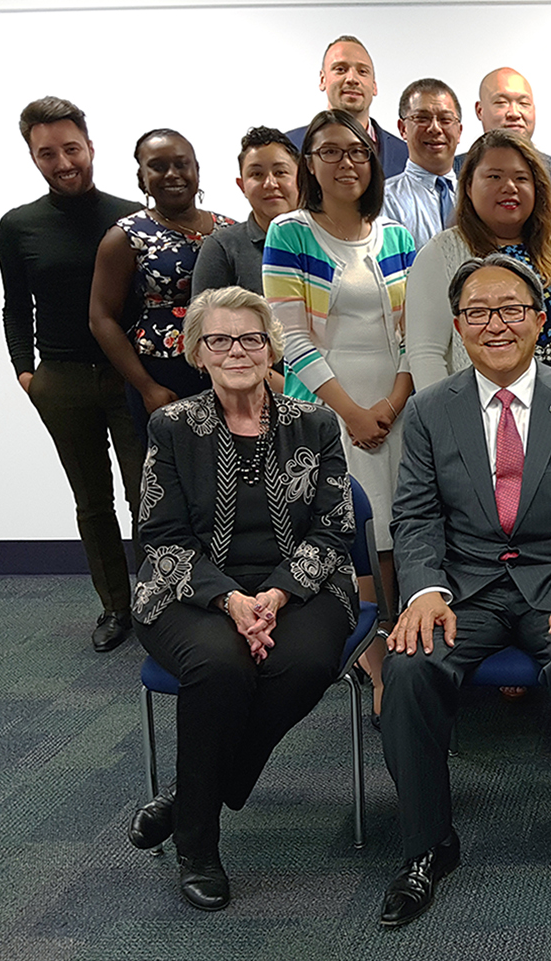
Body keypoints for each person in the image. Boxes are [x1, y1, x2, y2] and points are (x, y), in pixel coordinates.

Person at [378, 254, 551, 931]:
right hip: (464, 589)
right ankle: (428, 844)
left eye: (513, 309)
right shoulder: (433, 411)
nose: (497, 324)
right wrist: (425, 590)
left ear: (540, 318)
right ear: (459, 326)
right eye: (480, 313)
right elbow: (416, 513)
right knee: (408, 669)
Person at [126, 286, 357, 912]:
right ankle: (198, 847)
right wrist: (231, 601)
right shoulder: (171, 427)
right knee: (219, 666)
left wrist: (278, 594)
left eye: (251, 338)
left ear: (270, 347)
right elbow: (162, 535)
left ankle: (189, 795)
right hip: (188, 586)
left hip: (304, 581)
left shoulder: (313, 421)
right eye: (219, 340)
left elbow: (334, 527)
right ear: (197, 353)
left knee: (304, 663)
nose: (236, 351)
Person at [263, 110, 418, 710]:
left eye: (356, 152)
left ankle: (408, 646)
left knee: (398, 536)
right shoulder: (291, 232)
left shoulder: (396, 233)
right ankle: (377, 669)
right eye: (329, 152)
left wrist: (393, 401)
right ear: (310, 164)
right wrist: (352, 412)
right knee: (352, 536)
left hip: (394, 404)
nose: (345, 162)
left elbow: (412, 333)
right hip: (328, 409)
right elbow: (290, 338)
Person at [0, 96, 144, 652]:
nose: (62, 162)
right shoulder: (18, 226)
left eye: (71, 149)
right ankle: (115, 607)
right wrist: (25, 373)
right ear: (33, 156)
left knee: (145, 496)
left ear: (91, 147)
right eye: (47, 153)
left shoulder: (132, 216)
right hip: (61, 380)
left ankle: (159, 602)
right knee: (92, 500)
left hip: (130, 376)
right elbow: (16, 305)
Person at [407, 131, 551, 390]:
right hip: (481, 408)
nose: (510, 187)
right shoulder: (441, 253)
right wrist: (445, 421)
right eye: (494, 176)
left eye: (521, 178)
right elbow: (426, 354)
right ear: (468, 186)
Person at [90, 129, 237, 446]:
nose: (172, 174)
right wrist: (146, 387)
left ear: (197, 169)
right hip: (164, 375)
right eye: (158, 166)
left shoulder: (230, 230)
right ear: (142, 178)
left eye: (182, 164)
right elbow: (101, 318)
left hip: (231, 370)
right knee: (174, 479)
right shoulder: (126, 236)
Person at [466, 67, 551, 229]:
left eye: (524, 103)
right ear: (479, 111)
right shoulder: (455, 172)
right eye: (501, 103)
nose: (514, 113)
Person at [192, 127, 299, 297]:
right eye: (257, 174)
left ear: (301, 179)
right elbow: (202, 320)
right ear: (242, 186)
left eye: (280, 172)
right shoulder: (223, 248)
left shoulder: (323, 237)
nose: (270, 183)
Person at [285, 35, 408, 178]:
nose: (352, 79)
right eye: (341, 69)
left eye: (362, 71)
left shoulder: (406, 156)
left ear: (374, 86)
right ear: (322, 80)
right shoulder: (288, 147)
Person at [381, 78, 464, 251]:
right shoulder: (384, 201)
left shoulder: (476, 198)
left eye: (445, 119)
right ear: (403, 128)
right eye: (422, 118)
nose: (435, 128)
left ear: (459, 132)